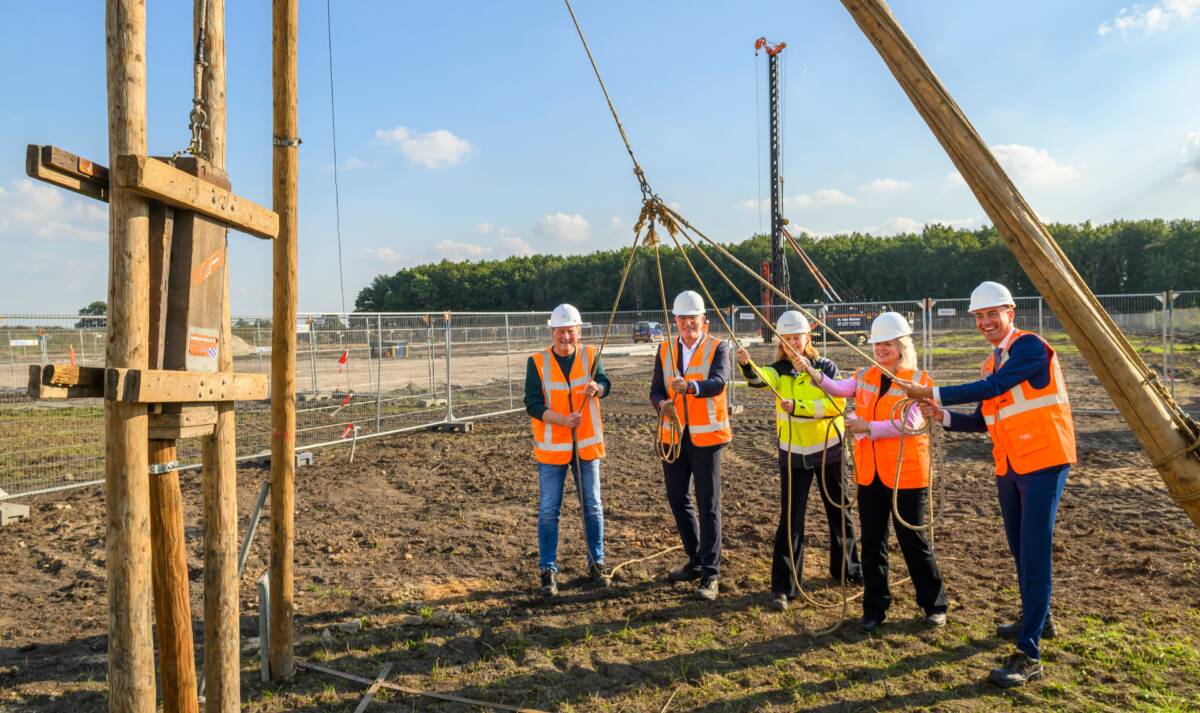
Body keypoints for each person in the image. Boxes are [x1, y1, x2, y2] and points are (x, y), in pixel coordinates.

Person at [898, 281, 1075, 688]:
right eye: (979, 316)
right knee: (1019, 548)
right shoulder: (990, 363)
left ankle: (1029, 654)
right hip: (1010, 464)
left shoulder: (1030, 348)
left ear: (1011, 313)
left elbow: (994, 390)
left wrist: (934, 391)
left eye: (992, 314)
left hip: (1044, 461)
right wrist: (939, 414)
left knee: (1034, 552)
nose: (985, 322)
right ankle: (1039, 617)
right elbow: (982, 417)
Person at [802, 312, 947, 632]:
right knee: (873, 544)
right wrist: (812, 373)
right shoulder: (865, 375)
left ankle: (934, 603)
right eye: (877, 344)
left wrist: (867, 427)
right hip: (871, 475)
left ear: (902, 345)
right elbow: (839, 388)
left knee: (913, 540)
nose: (881, 349)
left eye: (888, 344)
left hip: (906, 475)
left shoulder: (919, 381)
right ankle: (874, 608)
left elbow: (910, 423)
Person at [735, 310, 863, 612]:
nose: (793, 343)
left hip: (829, 451)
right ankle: (784, 586)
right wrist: (746, 364)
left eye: (798, 337)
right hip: (793, 455)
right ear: (781, 341)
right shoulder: (779, 370)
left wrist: (800, 407)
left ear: (808, 337)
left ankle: (848, 569)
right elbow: (761, 378)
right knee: (791, 520)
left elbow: (836, 405)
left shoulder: (824, 366)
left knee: (839, 510)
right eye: (788, 339)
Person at [524, 303, 613, 598]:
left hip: (586, 446)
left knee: (593, 506)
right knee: (549, 511)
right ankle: (548, 569)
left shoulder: (590, 355)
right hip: (553, 451)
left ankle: (596, 562)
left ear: (578, 331)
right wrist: (562, 420)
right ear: (552, 332)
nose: (566, 337)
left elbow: (605, 383)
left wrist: (596, 388)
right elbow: (533, 404)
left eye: (571, 331)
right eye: (561, 331)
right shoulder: (536, 362)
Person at [650, 290, 731, 601]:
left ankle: (711, 574)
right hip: (674, 436)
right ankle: (695, 558)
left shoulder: (716, 346)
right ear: (676, 321)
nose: (687, 324)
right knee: (676, 497)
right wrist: (662, 405)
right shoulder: (666, 349)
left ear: (704, 322)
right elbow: (655, 389)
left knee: (708, 504)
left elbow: (719, 382)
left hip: (707, 438)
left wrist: (692, 387)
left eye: (692, 319)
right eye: (681, 319)